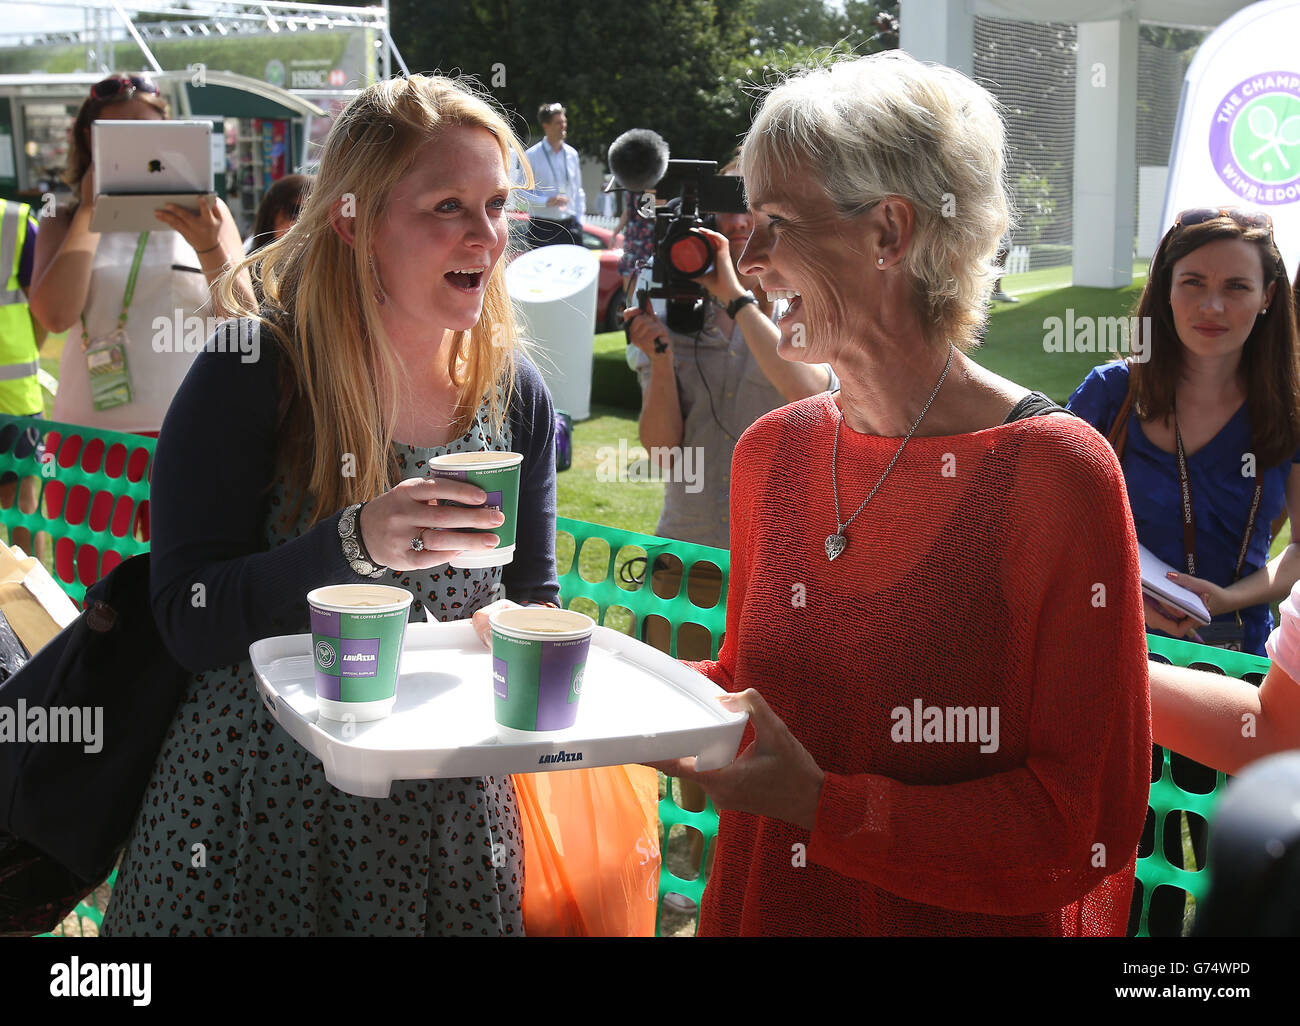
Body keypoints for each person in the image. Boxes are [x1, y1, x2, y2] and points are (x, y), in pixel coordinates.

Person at [649, 51, 1150, 937]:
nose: (751, 261)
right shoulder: (772, 453)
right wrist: (599, 684)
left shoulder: (1056, 476)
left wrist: (827, 808)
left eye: (774, 222)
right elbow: (752, 690)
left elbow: (1081, 825)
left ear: (890, 232)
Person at [101, 74, 558, 937]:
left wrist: (525, 637)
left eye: (497, 203)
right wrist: (358, 541)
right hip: (255, 813)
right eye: (447, 206)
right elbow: (189, 619)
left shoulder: (515, 392)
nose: (486, 235)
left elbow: (532, 598)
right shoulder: (254, 367)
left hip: (449, 819)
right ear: (354, 220)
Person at [1067, 207, 1300, 934]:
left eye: (1236, 286)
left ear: (1268, 297)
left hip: (1239, 676)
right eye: (1191, 281)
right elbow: (1055, 525)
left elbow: (1297, 557)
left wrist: (1233, 593)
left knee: (1219, 864)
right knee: (1125, 862)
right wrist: (1126, 601)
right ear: (1163, 290)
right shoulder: (1113, 390)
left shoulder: (1288, 409)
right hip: (1116, 653)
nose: (1210, 305)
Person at [28, 74, 251, 437]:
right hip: (86, 440)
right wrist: (89, 211)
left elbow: (244, 326)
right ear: (89, 138)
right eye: (118, 134)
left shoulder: (210, 213)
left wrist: (209, 247)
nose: (135, 147)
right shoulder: (62, 217)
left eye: (146, 132)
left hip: (191, 434)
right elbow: (55, 316)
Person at [0, 195, 49, 560]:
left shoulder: (14, 221)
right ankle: (31, 612)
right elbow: (42, 317)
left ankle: (29, 611)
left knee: (21, 507)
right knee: (22, 506)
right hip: (14, 399)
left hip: (13, 403)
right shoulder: (14, 220)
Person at [518, 102, 585, 247]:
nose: (563, 126)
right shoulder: (531, 156)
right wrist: (546, 201)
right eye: (558, 123)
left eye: (564, 122)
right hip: (542, 228)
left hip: (570, 226)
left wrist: (580, 221)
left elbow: (578, 191)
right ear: (545, 125)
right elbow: (520, 192)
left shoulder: (572, 154)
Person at [245, 173, 311, 254]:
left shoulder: (327, 264)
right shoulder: (242, 260)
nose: (304, 223)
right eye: (295, 211)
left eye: (314, 214)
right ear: (270, 215)